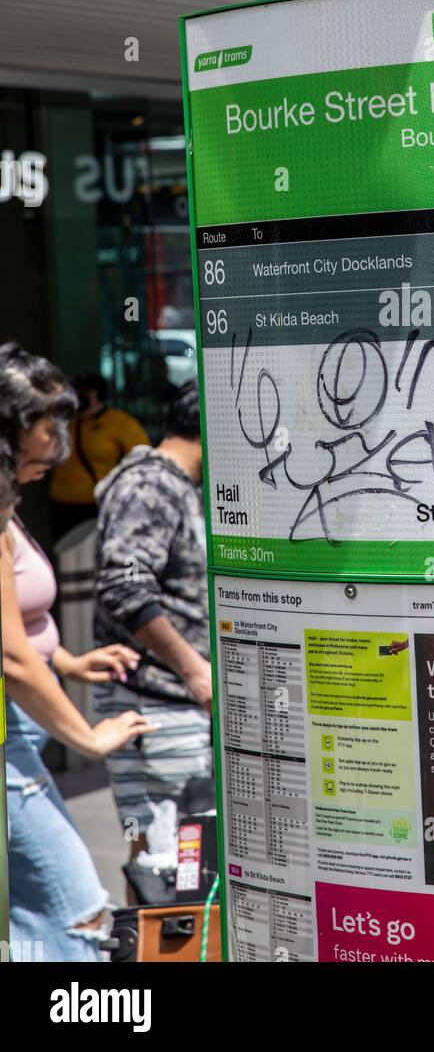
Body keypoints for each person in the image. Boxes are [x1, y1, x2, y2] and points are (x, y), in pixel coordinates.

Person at [0, 342, 154, 961]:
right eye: (49, 422)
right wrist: (89, 739)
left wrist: (65, 663)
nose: (60, 441)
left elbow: (20, 623)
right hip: (10, 740)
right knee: (78, 917)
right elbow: (10, 656)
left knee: (39, 922)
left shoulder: (9, 506)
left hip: (21, 736)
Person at [93, 379, 212, 884]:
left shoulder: (172, 484)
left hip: (169, 709)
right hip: (158, 707)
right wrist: (196, 672)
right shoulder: (152, 486)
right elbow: (125, 586)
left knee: (172, 866)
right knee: (166, 872)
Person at [49, 372, 150, 540]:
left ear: (97, 396)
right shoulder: (64, 421)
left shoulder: (122, 424)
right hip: (62, 506)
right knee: (66, 559)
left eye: (84, 392)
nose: (78, 396)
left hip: (97, 505)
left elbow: (144, 464)